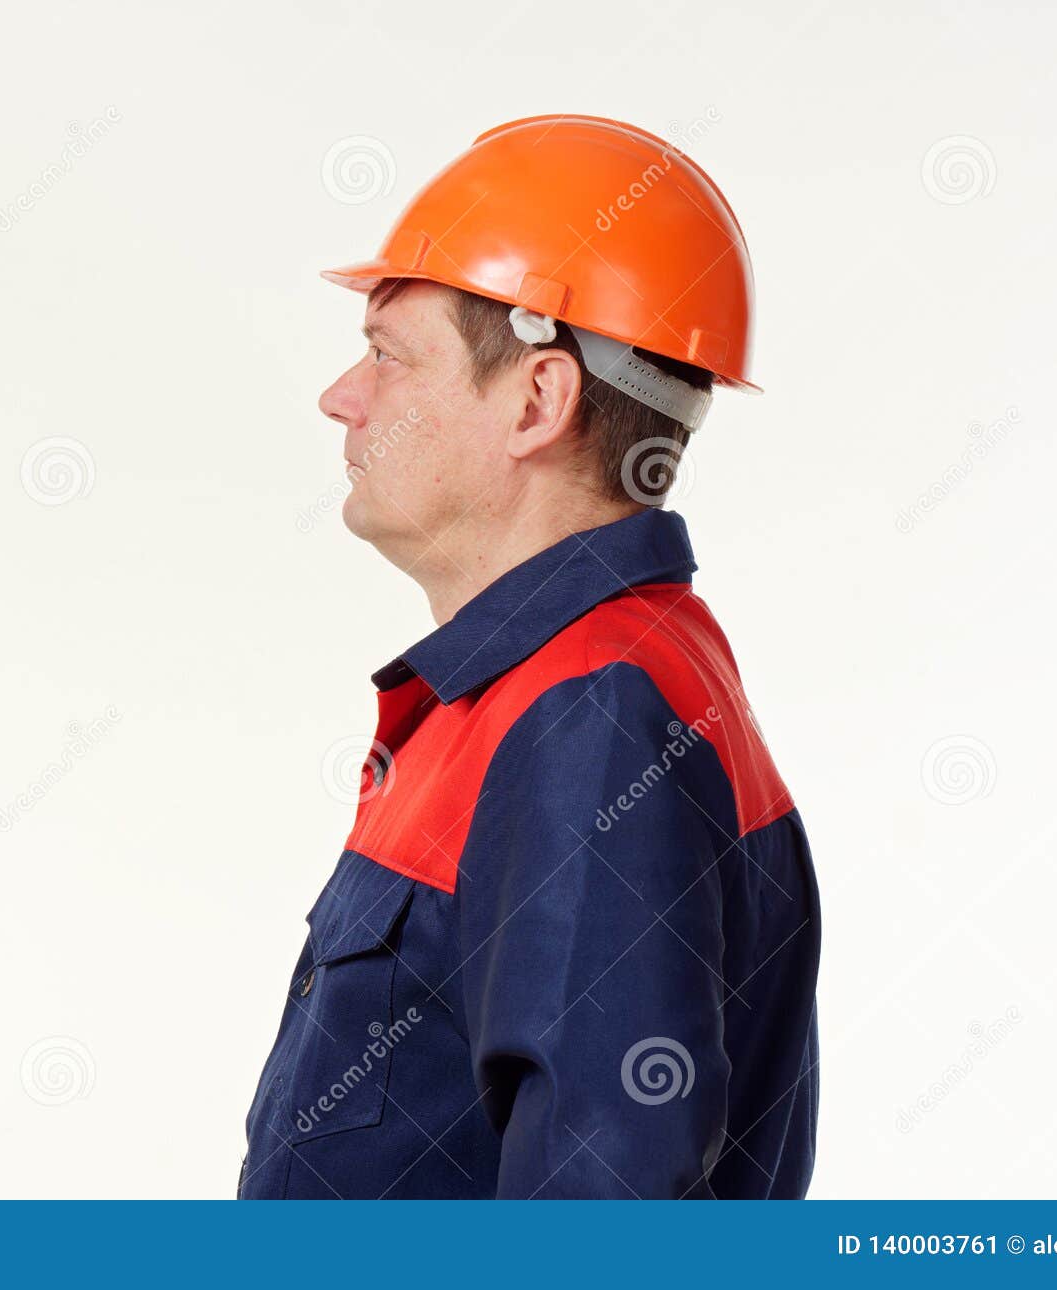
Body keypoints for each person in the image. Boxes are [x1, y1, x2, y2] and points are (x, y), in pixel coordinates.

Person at [237, 115, 820, 1199]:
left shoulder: (588, 716)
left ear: (537, 400)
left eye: (387, 354)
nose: (342, 396)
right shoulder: (554, 688)